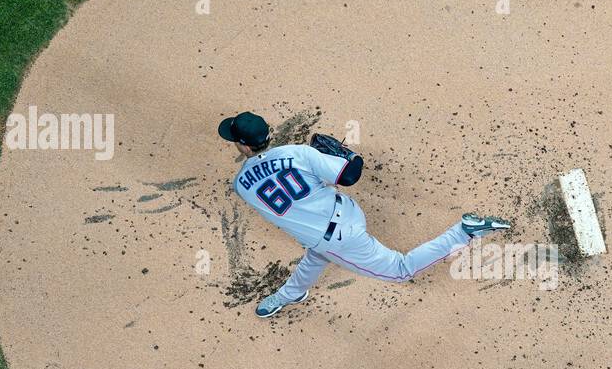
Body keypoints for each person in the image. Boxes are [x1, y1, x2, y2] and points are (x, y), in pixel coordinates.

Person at [219, 111, 511, 317]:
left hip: (339, 240)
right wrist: (348, 155)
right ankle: (289, 294)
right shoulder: (298, 153)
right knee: (315, 255)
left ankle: (464, 232)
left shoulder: (241, 185)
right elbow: (349, 176)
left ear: (243, 145)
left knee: (401, 270)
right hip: (346, 212)